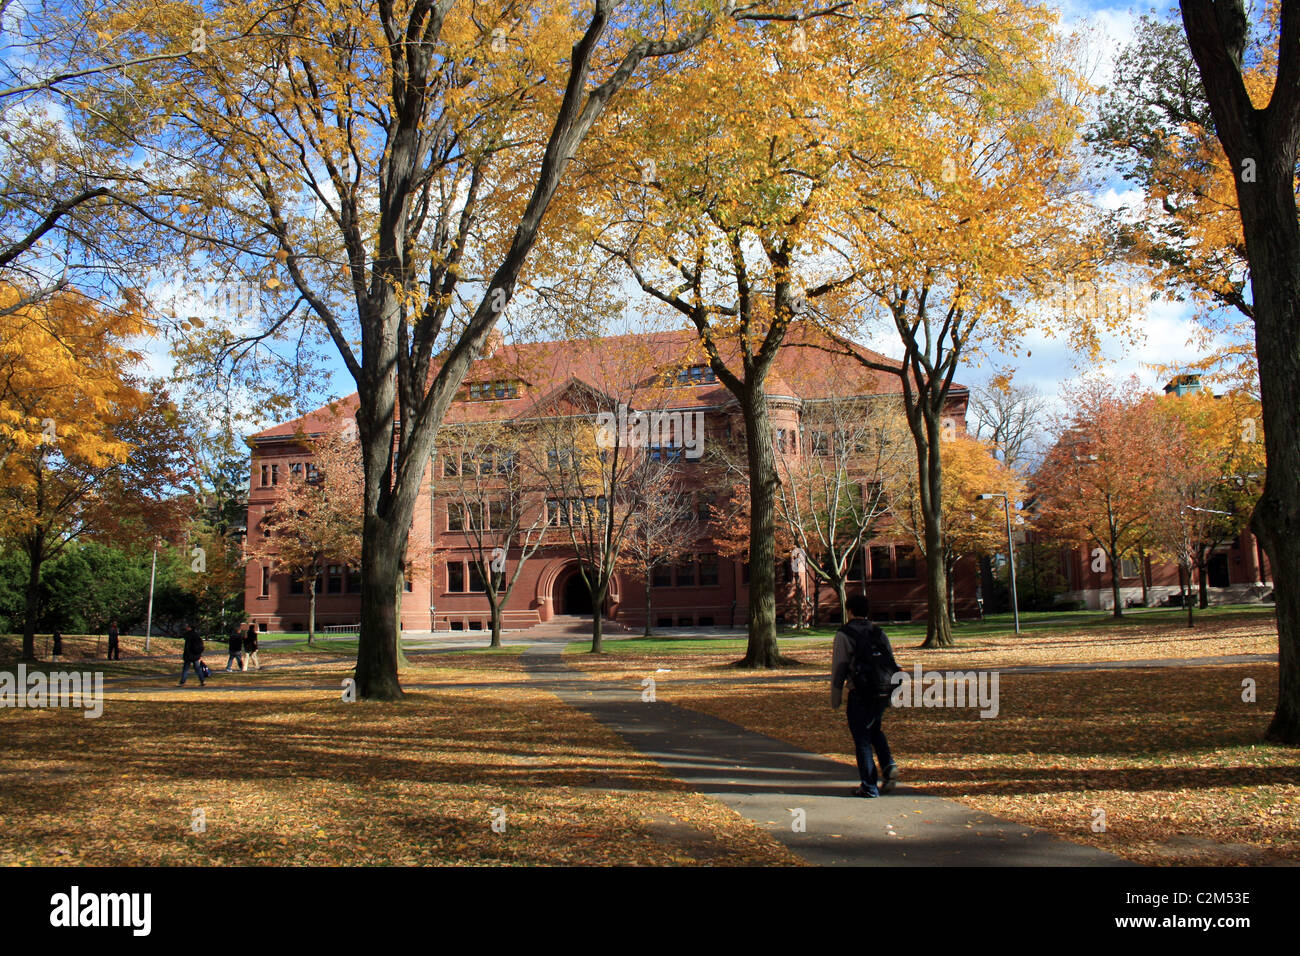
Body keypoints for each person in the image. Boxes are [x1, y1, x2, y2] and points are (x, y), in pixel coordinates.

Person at [831, 594, 900, 798]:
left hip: (860, 691)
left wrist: (835, 698)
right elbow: (891, 664)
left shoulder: (844, 634)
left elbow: (840, 667)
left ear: (849, 611)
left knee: (861, 738)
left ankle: (869, 786)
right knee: (875, 729)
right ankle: (888, 766)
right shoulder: (879, 632)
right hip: (881, 691)